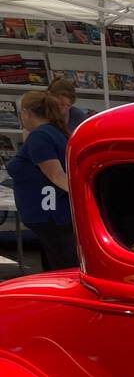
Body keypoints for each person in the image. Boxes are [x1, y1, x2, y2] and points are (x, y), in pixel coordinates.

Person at [8, 90, 75, 270]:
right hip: (52, 214)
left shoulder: (41, 137)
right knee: (58, 263)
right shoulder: (51, 133)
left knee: (63, 266)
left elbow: (56, 175)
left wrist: (81, 196)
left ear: (26, 112)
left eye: (21, 113)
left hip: (50, 215)